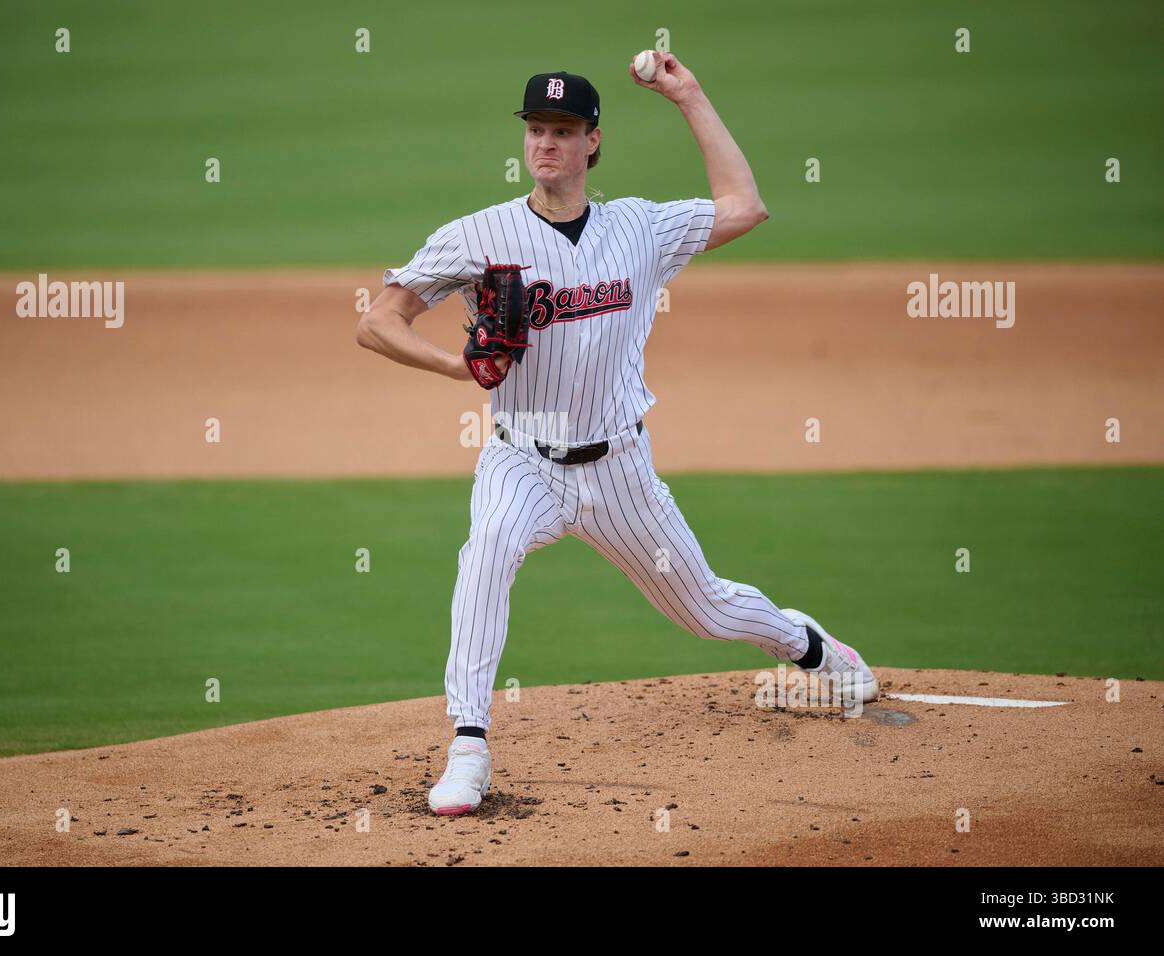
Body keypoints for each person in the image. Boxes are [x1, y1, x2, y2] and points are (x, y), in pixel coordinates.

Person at [355, 56, 879, 817]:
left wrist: (689, 94)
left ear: (593, 141)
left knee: (706, 610)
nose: (546, 144)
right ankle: (469, 744)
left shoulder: (640, 228)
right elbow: (376, 322)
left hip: (620, 469)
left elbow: (745, 205)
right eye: (537, 129)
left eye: (564, 131)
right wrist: (460, 369)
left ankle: (816, 650)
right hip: (521, 456)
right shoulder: (479, 236)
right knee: (489, 546)